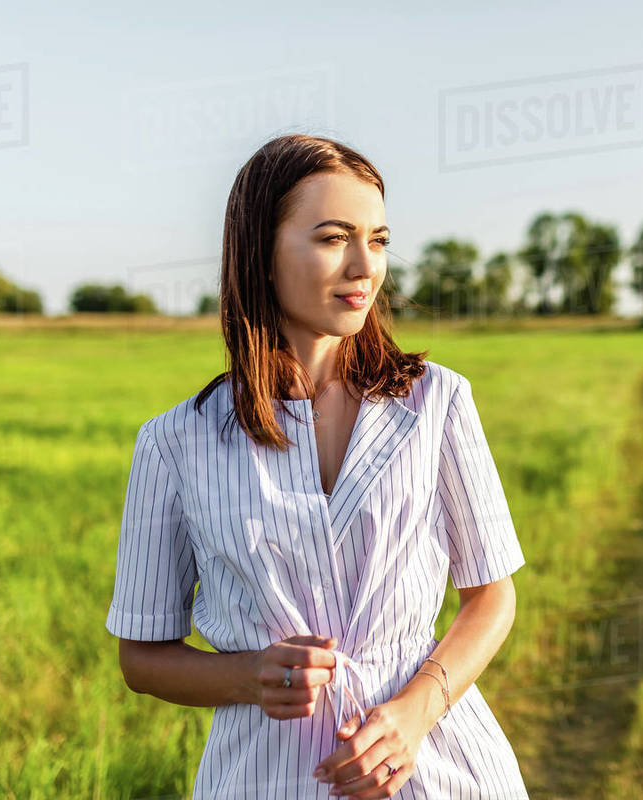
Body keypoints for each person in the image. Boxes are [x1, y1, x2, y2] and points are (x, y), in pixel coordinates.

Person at [105, 134, 530, 799]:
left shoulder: (440, 401)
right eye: (334, 238)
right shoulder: (174, 443)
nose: (366, 267)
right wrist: (247, 677)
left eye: (380, 240)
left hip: (439, 769)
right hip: (268, 778)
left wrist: (417, 710)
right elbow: (141, 656)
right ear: (261, 256)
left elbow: (492, 596)